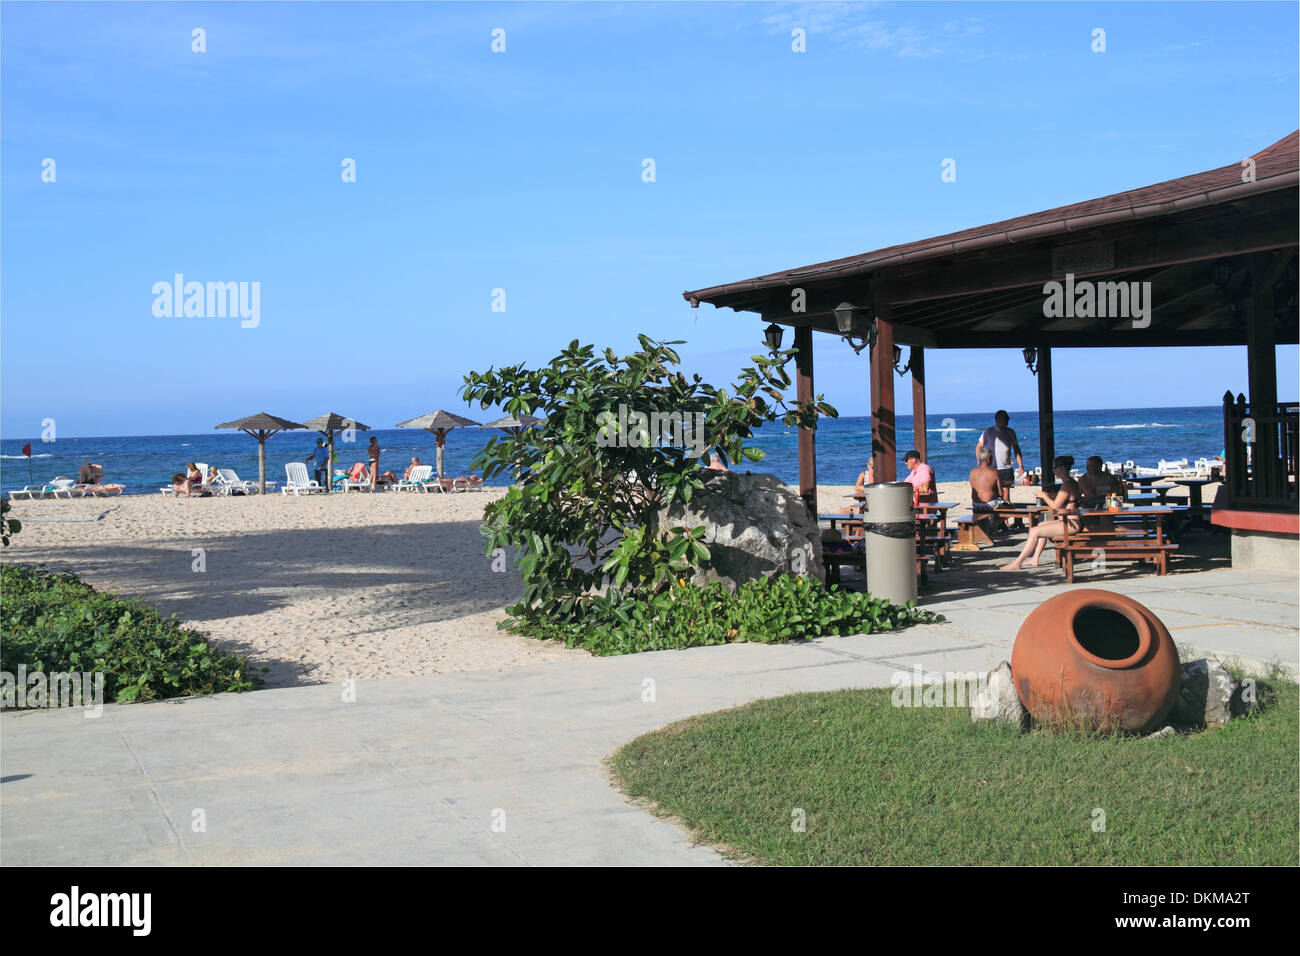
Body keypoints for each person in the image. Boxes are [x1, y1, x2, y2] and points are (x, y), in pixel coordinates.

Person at [1001, 456, 1081, 570]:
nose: (1053, 471)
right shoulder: (1070, 483)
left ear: (1063, 468)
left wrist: (1044, 496)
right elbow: (1064, 498)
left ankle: (1017, 562)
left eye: (1055, 468)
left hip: (1071, 525)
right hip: (1070, 522)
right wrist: (1050, 495)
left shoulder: (1067, 485)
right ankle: (1035, 559)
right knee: (1041, 525)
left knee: (1034, 531)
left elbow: (1055, 506)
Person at [976, 411, 1024, 492]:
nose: (1007, 421)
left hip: (1006, 469)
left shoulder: (1010, 432)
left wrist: (1020, 466)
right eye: (1005, 419)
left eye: (1008, 419)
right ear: (997, 420)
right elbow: (979, 447)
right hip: (991, 468)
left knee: (1006, 495)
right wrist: (980, 463)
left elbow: (1016, 449)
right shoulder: (988, 431)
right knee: (992, 493)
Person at [969, 448, 1008, 531]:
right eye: (992, 458)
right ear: (988, 459)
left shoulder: (972, 472)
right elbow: (1001, 493)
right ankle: (992, 525)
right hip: (988, 505)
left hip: (975, 504)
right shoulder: (993, 472)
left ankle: (988, 525)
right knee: (1010, 508)